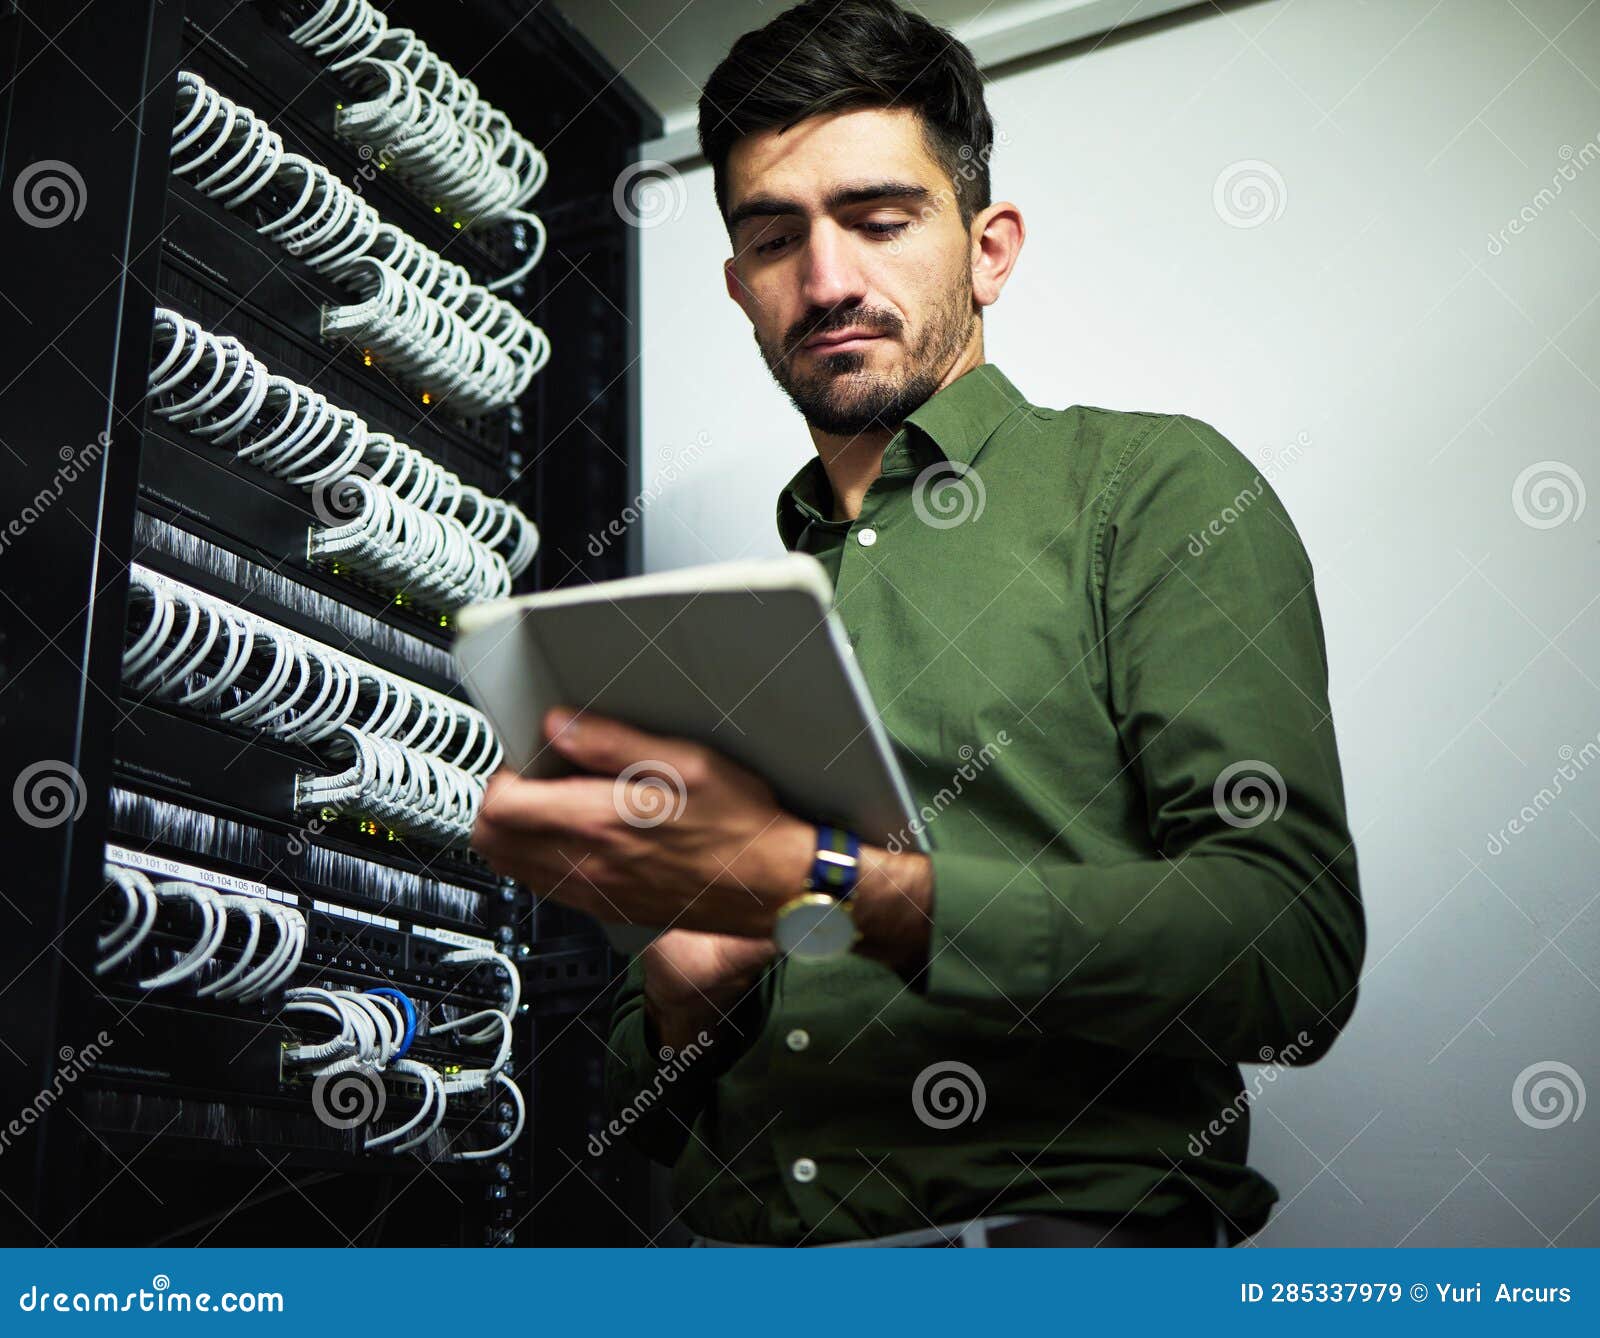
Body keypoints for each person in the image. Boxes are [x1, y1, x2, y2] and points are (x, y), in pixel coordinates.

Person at [469, 0, 1364, 1248]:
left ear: (988, 249)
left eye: (880, 222)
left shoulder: (1151, 493)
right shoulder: (725, 626)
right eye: (776, 239)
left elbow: (1294, 954)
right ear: (738, 289)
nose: (827, 281)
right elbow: (643, 1098)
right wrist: (674, 996)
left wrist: (841, 886)